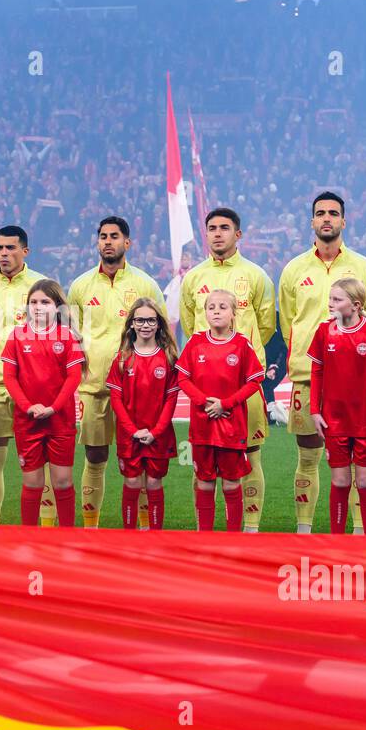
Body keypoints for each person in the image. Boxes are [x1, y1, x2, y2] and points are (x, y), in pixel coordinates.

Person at [278, 192, 366, 534]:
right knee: (308, 455)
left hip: (356, 386)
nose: (327, 218)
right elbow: (286, 325)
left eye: (333, 213)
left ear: (343, 220)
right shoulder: (294, 269)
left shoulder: (365, 268)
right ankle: (305, 528)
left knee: (357, 464)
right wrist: (304, 358)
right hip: (309, 378)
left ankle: (358, 532)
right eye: (320, 213)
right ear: (312, 221)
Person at [180, 208, 275, 532]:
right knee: (203, 465)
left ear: (238, 234)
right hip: (204, 392)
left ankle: (249, 528)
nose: (217, 233)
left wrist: (234, 361)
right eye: (211, 228)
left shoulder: (256, 275)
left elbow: (266, 326)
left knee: (249, 455)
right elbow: (189, 323)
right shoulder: (192, 278)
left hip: (240, 387)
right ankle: (204, 531)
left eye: (224, 228)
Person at [68, 216, 167, 528]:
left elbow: (161, 331)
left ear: (127, 243)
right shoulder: (81, 286)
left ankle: (140, 528)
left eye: (114, 236)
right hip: (94, 386)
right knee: (95, 456)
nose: (107, 241)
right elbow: (72, 333)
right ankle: (91, 526)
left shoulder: (145, 284)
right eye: (102, 236)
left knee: (138, 461)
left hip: (139, 390)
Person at [0, 225, 52, 525]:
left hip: (34, 388)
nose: (4, 254)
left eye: (10, 248)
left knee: (39, 463)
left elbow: (58, 332)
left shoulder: (41, 287)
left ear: (25, 251)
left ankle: (46, 529)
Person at [307, 279, 366, 535]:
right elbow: (316, 372)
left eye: (337, 300)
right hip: (334, 420)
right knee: (340, 481)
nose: (331, 304)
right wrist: (314, 410)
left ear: (356, 305)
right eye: (330, 298)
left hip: (365, 420)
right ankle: (337, 539)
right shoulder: (324, 331)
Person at [176, 290, 266, 532]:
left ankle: (232, 538)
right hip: (202, 426)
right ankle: (204, 536)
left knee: (230, 482)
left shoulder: (241, 344)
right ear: (204, 312)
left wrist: (225, 404)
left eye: (223, 307)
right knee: (204, 481)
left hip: (231, 426)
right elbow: (182, 378)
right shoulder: (195, 342)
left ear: (234, 313)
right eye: (211, 307)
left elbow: (254, 381)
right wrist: (204, 402)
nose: (216, 311)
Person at [0, 279, 85, 527]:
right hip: (28, 421)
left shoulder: (67, 336)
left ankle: (66, 535)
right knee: (32, 482)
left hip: (60, 420)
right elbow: (9, 377)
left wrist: (53, 408)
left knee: (62, 481)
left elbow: (74, 377)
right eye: (33, 302)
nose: (38, 307)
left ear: (57, 307)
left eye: (45, 302)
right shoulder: (16, 335)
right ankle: (29, 535)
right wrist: (28, 406)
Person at [106, 298, 180, 530]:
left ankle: (155, 535)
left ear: (159, 324)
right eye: (140, 320)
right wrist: (133, 431)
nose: (145, 324)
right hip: (130, 435)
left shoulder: (168, 359)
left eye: (151, 320)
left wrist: (156, 432)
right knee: (131, 481)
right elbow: (116, 400)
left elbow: (171, 400)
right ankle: (129, 535)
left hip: (159, 435)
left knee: (154, 482)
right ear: (131, 324)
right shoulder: (121, 359)